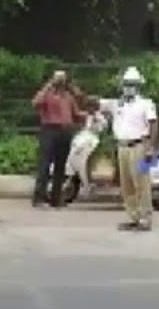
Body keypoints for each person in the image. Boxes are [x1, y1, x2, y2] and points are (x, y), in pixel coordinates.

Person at [111, 66, 159, 232]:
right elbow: (93, 103)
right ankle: (133, 217)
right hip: (122, 147)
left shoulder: (146, 104)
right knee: (127, 185)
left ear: (138, 86)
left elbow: (153, 125)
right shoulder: (118, 104)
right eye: (126, 84)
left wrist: (151, 148)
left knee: (142, 183)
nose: (128, 87)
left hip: (140, 146)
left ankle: (145, 218)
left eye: (131, 84)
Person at [30, 70, 84, 208]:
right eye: (58, 79)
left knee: (61, 166)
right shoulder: (47, 94)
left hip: (65, 131)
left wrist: (88, 115)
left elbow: (76, 113)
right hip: (50, 129)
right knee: (45, 164)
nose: (60, 81)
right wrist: (48, 85)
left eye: (63, 79)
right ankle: (39, 197)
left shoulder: (68, 97)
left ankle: (56, 198)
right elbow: (35, 103)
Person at [65, 99, 110, 198]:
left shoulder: (99, 117)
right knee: (75, 151)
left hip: (92, 138)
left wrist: (96, 121)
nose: (88, 109)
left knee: (82, 156)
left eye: (90, 107)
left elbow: (101, 128)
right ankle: (76, 174)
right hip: (84, 136)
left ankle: (86, 183)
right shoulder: (88, 116)